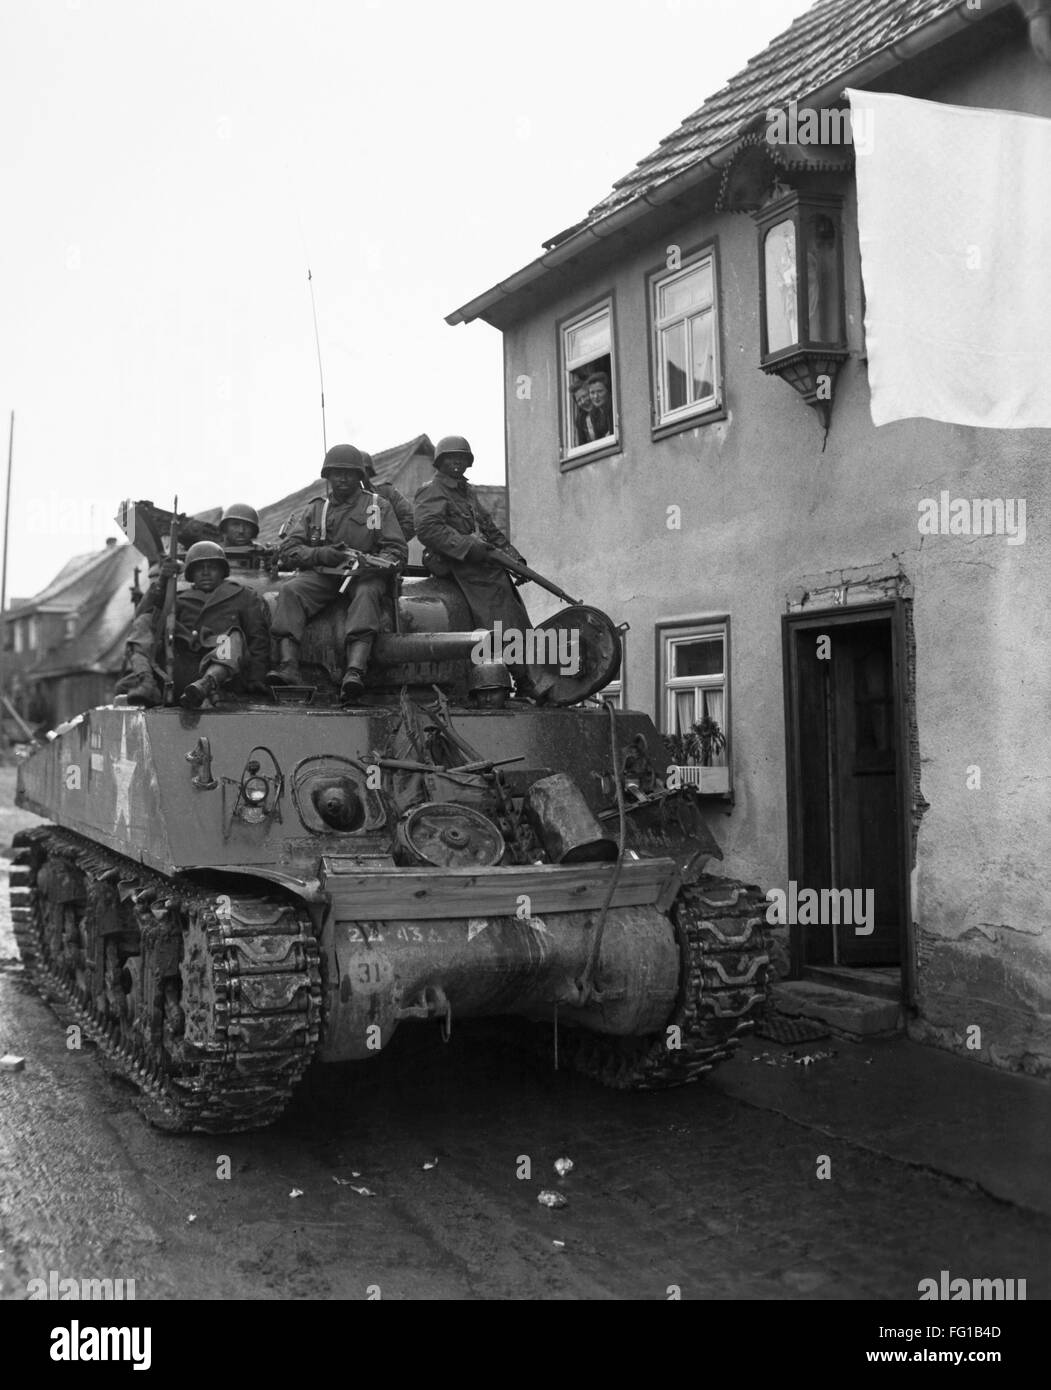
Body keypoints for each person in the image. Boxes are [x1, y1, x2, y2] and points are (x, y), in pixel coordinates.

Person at [267, 444, 407, 703]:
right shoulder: (317, 509)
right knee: (290, 590)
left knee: (367, 594)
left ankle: (354, 671)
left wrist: (375, 564)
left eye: (349, 473)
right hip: (325, 574)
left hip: (364, 574)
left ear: (359, 476)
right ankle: (289, 667)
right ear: (328, 476)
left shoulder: (377, 507)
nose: (342, 479)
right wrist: (321, 555)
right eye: (336, 473)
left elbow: (397, 550)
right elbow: (289, 550)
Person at [414, 434, 536, 698]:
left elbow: (489, 529)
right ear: (440, 462)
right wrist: (468, 546)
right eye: (451, 458)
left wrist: (515, 559)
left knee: (508, 597)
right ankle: (523, 675)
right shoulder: (432, 490)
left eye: (461, 458)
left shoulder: (467, 492)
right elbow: (427, 529)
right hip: (452, 561)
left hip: (477, 561)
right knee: (496, 603)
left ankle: (529, 670)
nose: (456, 463)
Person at [115, 541, 271, 709]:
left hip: (226, 672)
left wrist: (256, 679)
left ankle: (206, 684)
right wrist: (163, 580)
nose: (205, 573)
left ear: (222, 571)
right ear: (191, 573)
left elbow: (258, 639)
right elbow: (143, 616)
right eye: (199, 568)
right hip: (183, 669)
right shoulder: (178, 598)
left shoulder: (244, 596)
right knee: (144, 622)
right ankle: (146, 681)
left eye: (212, 567)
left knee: (232, 638)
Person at [361, 453, 415, 541]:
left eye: (363, 471)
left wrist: (391, 542)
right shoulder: (336, 502)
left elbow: (410, 520)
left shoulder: (387, 493)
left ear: (369, 472)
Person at [218, 502, 270, 573]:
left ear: (253, 530)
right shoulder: (212, 551)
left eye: (247, 525)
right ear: (225, 528)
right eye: (235, 524)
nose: (241, 531)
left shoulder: (261, 553)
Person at [585, 371, 614, 440]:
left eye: (600, 391)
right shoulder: (593, 413)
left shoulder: (614, 407)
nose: (596, 396)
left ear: (608, 391)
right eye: (592, 393)